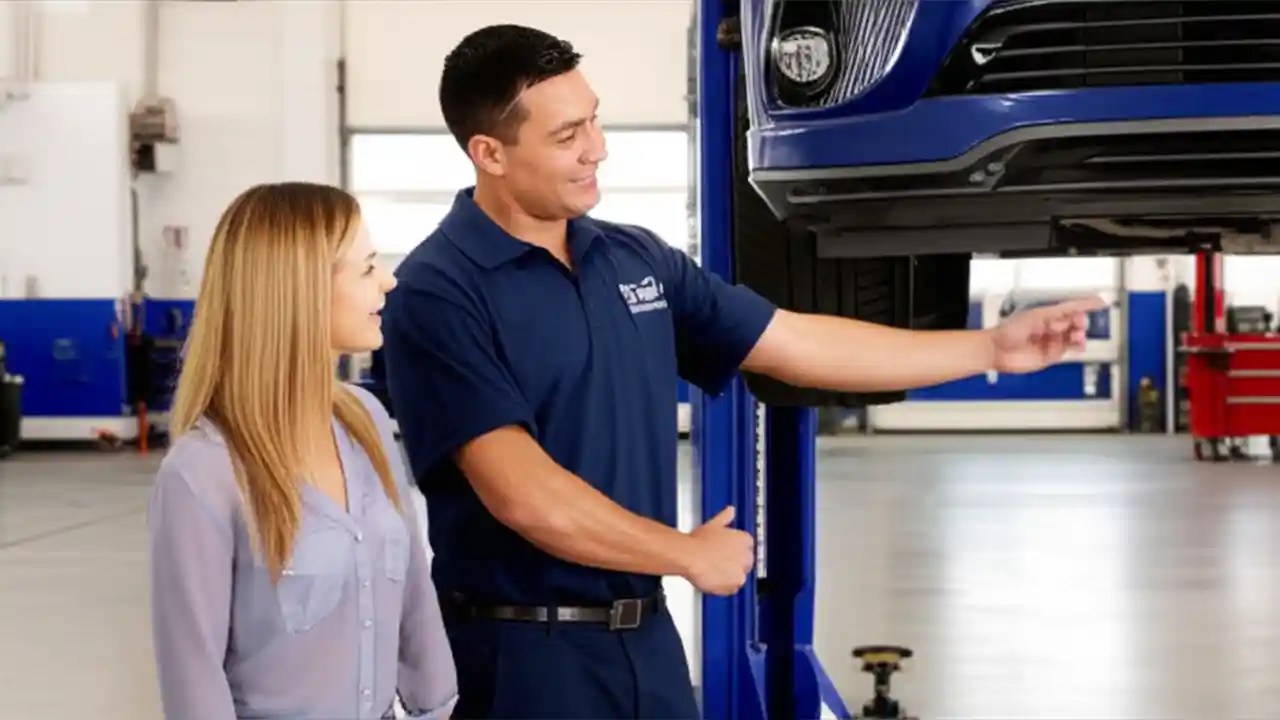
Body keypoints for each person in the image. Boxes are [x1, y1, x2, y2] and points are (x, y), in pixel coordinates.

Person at [380, 24, 1104, 720]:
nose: (597, 149)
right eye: (567, 136)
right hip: (521, 656)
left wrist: (987, 349)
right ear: (489, 153)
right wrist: (687, 554)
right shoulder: (440, 290)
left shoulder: (632, 258)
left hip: (648, 642)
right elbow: (523, 495)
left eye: (594, 122)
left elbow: (792, 342)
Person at [147, 182, 458, 720]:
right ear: (302, 290)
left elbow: (414, 597)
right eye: (366, 269)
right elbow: (193, 675)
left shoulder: (368, 421)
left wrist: (437, 705)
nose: (388, 280)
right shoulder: (204, 472)